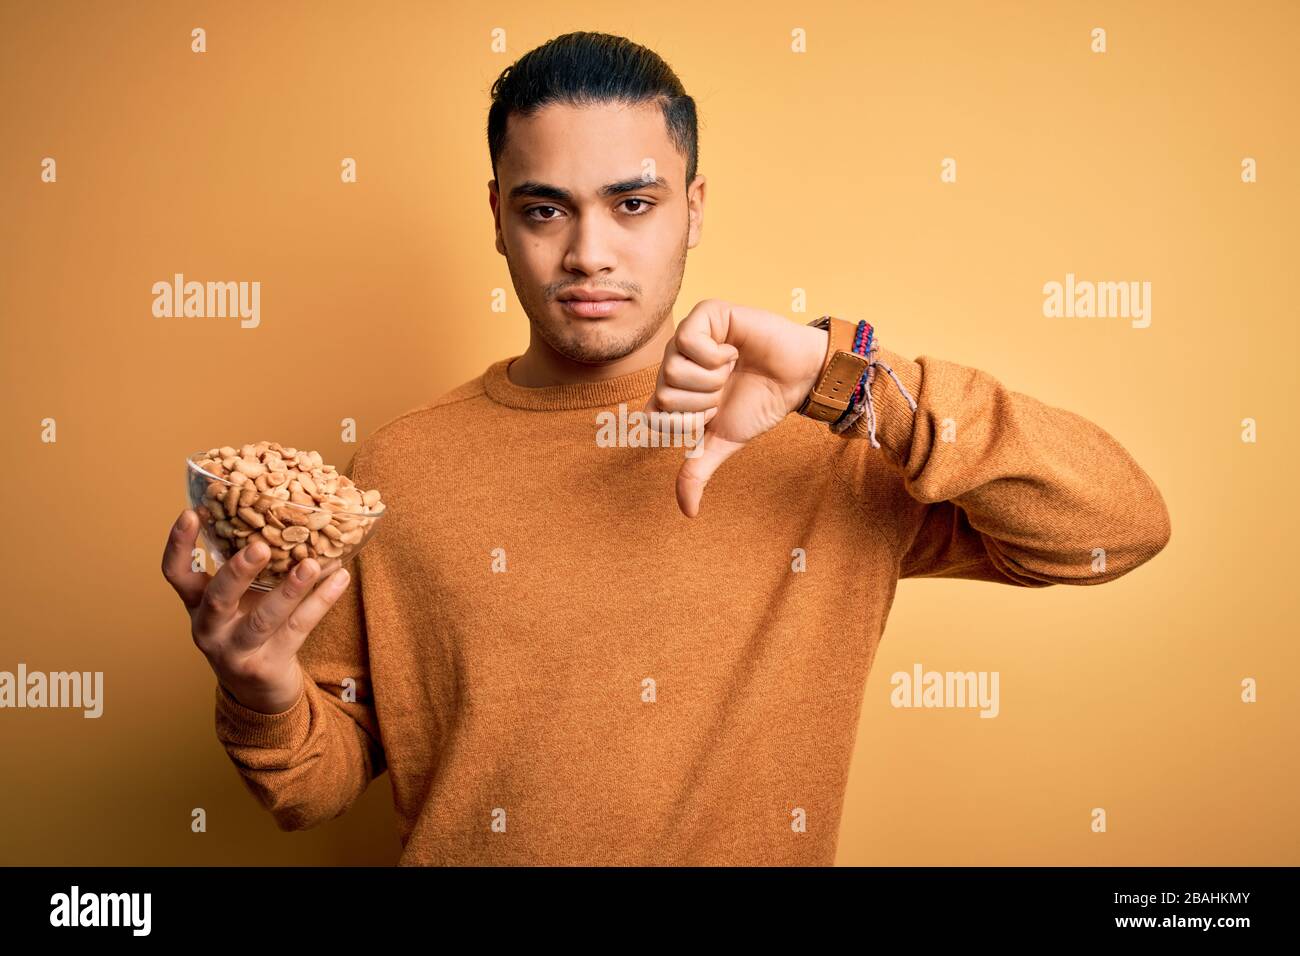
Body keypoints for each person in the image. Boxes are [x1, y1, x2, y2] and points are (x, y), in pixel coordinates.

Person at [161, 31, 1171, 865]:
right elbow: (318, 783)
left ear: (693, 209)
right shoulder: (398, 467)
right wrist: (263, 696)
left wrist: (850, 375)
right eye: (544, 208)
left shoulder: (826, 440)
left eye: (632, 204)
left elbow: (1114, 529)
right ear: (498, 221)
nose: (588, 250)